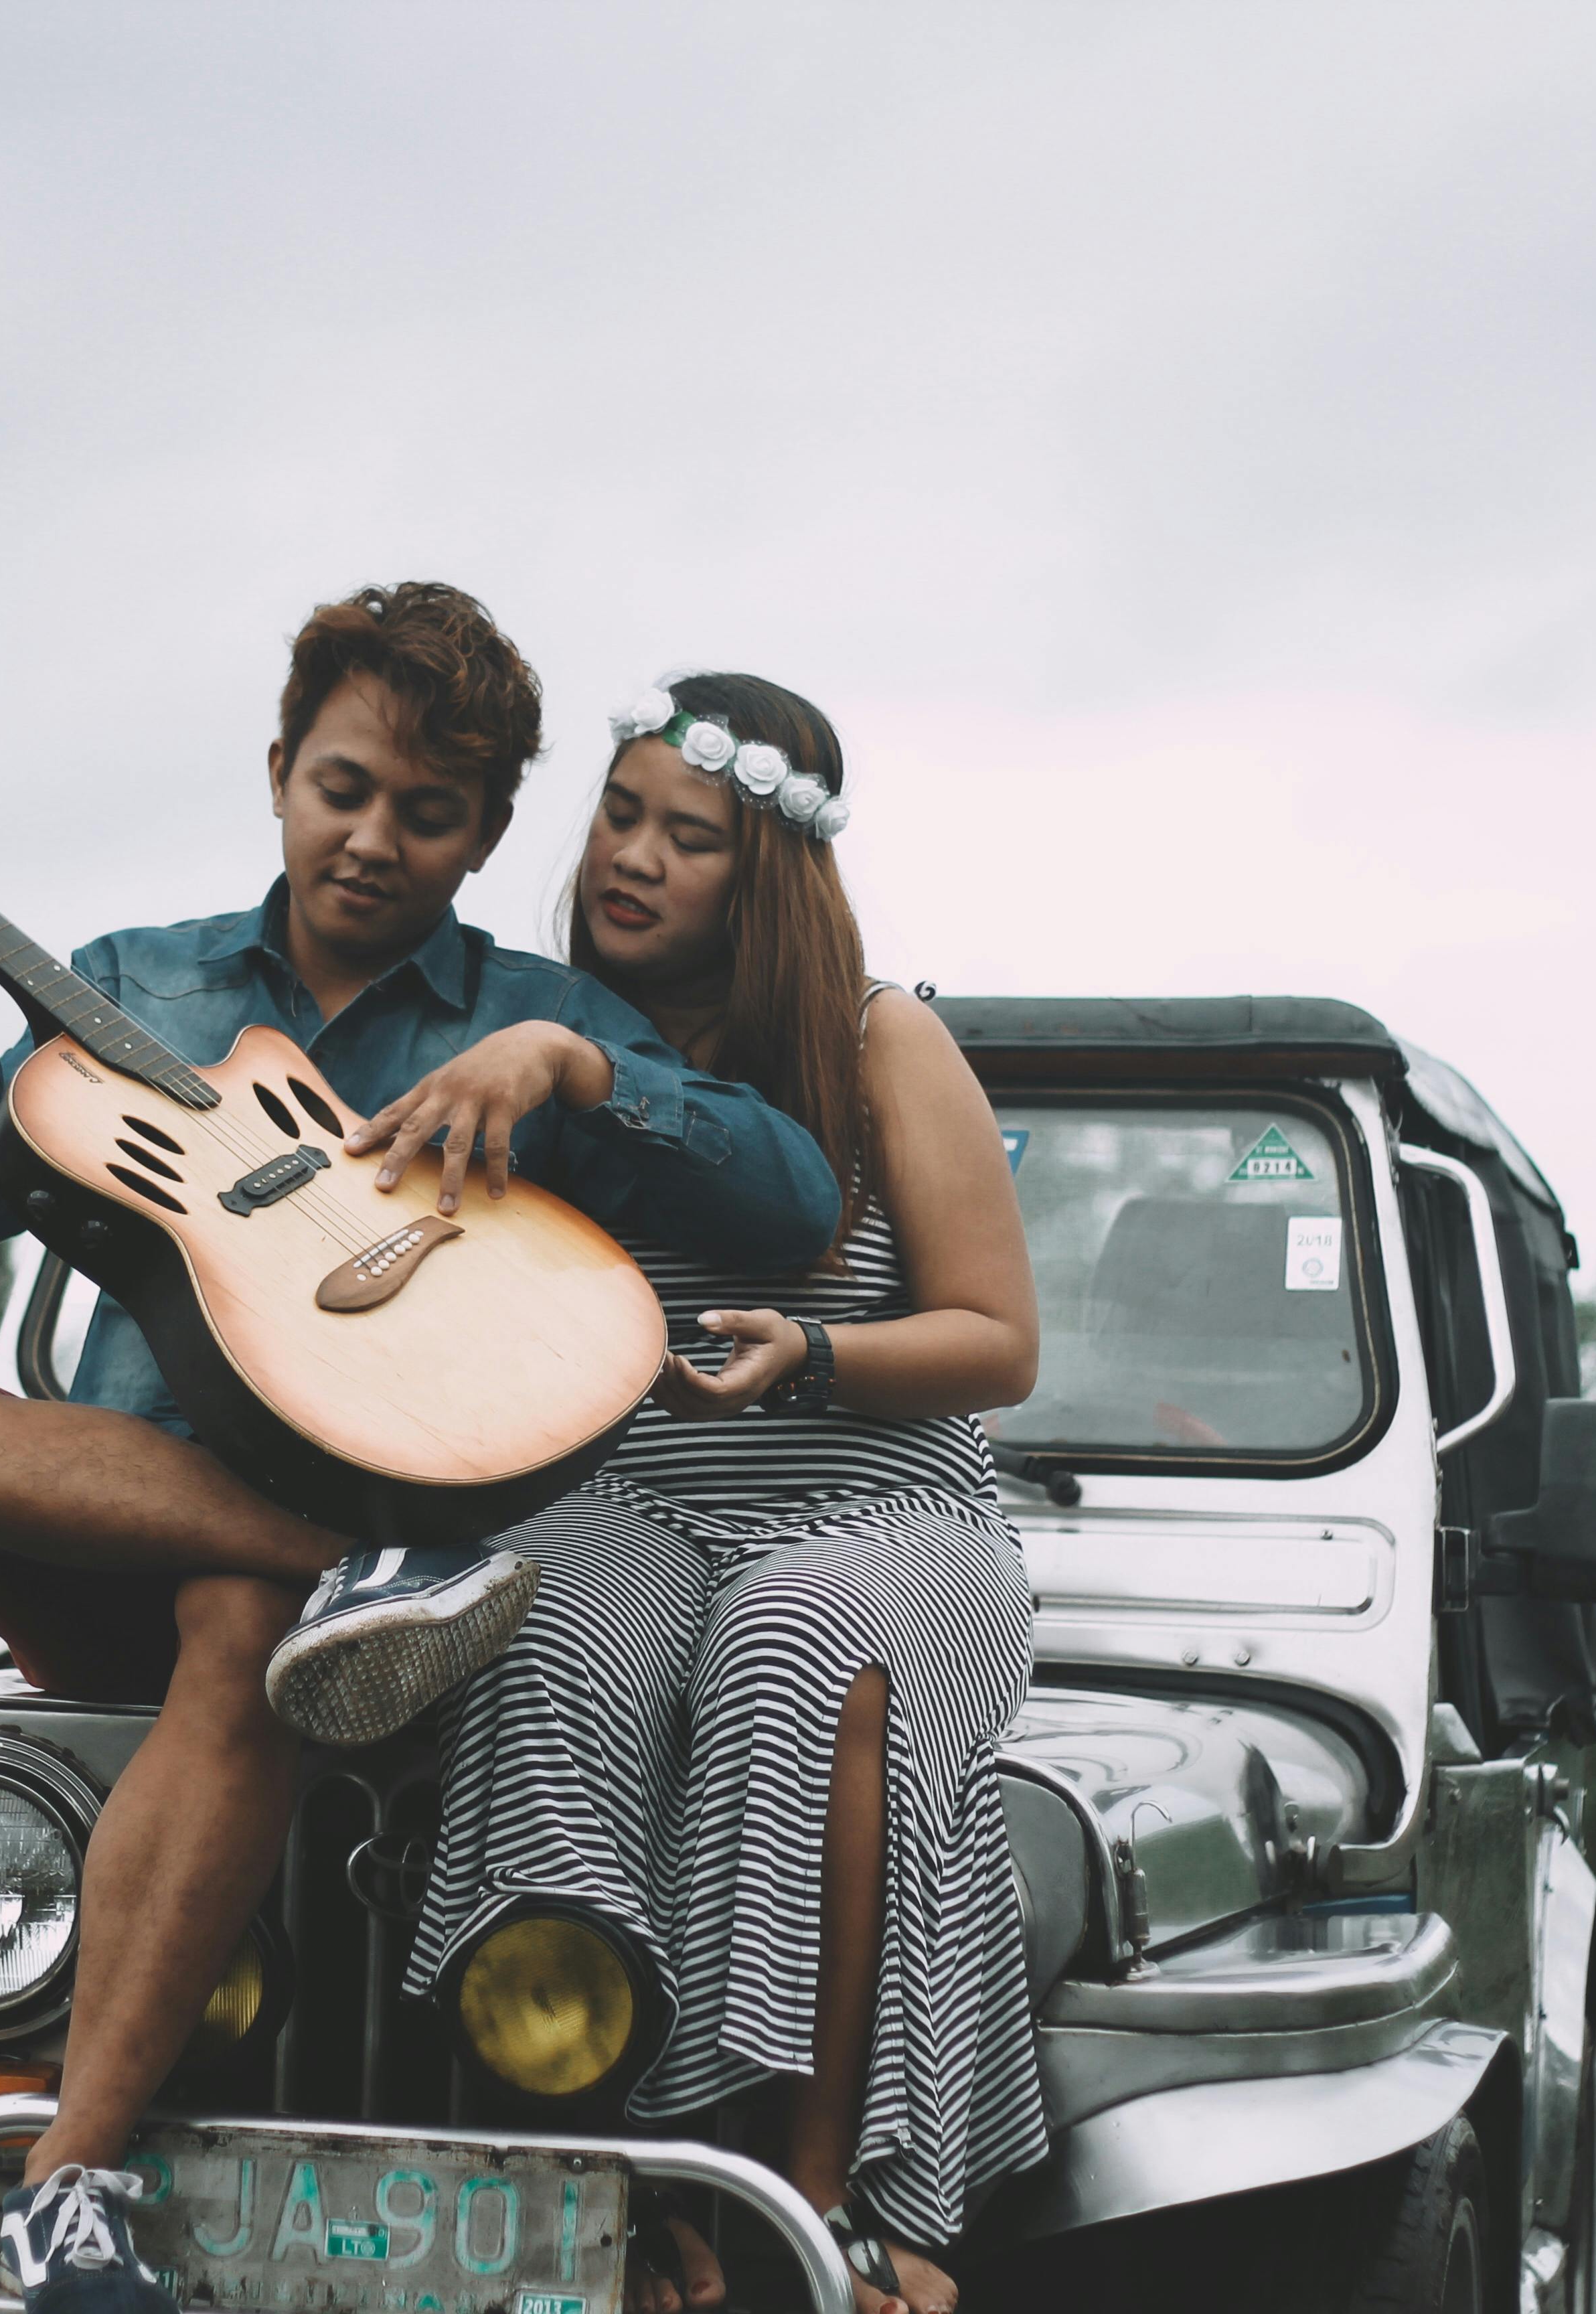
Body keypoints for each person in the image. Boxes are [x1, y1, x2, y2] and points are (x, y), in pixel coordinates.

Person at [0, 587, 843, 2314]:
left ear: (489, 828)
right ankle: (333, 1570)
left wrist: (577, 1067)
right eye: (343, 788)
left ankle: (71, 2190)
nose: (373, 840)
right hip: (124, 1522)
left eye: (429, 814)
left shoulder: (531, 1008)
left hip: (294, 1631)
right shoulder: (136, 983)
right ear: (281, 771)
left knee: (243, 1626)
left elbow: (792, 1199)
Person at [392, 673, 1046, 2314]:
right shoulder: (535, 1036)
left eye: (690, 838)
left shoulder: (876, 1037)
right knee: (537, 1636)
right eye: (620, 816)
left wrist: (817, 1351)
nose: (635, 860)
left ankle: (800, 2204)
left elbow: (998, 1341)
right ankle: (613, 2187)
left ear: (766, 877)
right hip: (638, 1502)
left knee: (796, 1637)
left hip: (885, 1513)